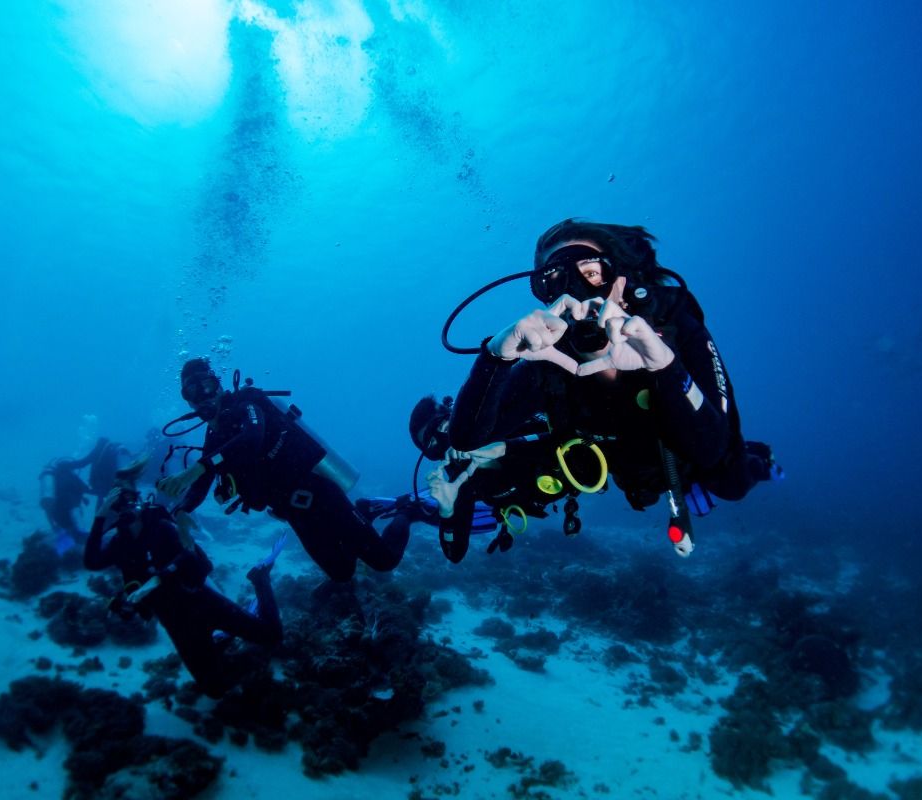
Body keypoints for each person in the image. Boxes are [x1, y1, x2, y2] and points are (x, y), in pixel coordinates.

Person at [448, 219, 781, 556]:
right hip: (628, 469)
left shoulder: (672, 325)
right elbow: (467, 439)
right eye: (555, 280)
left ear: (620, 280)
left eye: (591, 273)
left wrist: (665, 367)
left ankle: (761, 458)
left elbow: (712, 449)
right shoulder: (548, 359)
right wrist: (495, 358)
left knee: (731, 483)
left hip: (691, 450)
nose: (575, 291)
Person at [156, 358, 422, 582]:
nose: (203, 395)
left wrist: (196, 468)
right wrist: (181, 511)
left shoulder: (246, 403)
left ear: (218, 385)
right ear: (187, 401)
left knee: (384, 561)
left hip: (319, 494)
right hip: (292, 512)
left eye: (207, 385)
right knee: (342, 573)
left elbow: (252, 438)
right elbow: (201, 485)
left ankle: (408, 511)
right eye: (192, 391)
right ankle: (364, 510)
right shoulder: (213, 438)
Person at [84, 459, 282, 698]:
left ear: (137, 498)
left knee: (271, 636)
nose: (124, 507)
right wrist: (98, 518)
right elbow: (92, 561)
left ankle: (260, 579)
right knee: (214, 690)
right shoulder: (120, 544)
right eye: (117, 503)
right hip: (175, 621)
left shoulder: (160, 526)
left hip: (202, 602)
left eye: (127, 498)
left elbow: (195, 559)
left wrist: (162, 576)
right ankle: (218, 642)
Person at [361, 394, 604, 563]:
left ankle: (415, 506)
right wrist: (447, 510)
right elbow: (454, 553)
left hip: (577, 472)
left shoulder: (503, 420)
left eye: (443, 427)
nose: (446, 442)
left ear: (456, 417)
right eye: (433, 445)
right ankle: (416, 508)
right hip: (510, 506)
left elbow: (575, 436)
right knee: (454, 509)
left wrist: (505, 447)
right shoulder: (461, 480)